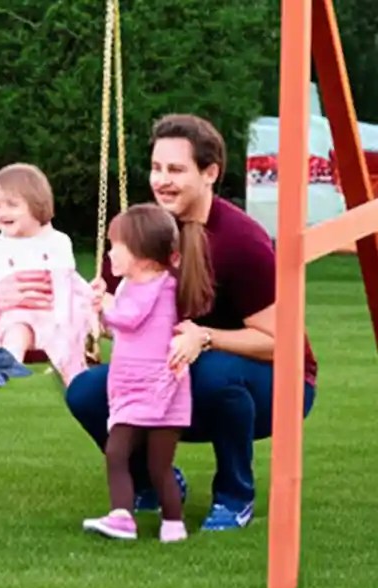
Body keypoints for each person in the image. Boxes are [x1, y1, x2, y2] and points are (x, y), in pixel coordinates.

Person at [62, 113, 318, 531]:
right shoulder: (142, 229)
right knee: (87, 391)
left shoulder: (240, 241)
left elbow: (282, 342)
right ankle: (152, 481)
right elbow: (118, 317)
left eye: (176, 170)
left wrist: (206, 337)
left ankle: (235, 496)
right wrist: (88, 316)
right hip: (173, 379)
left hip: (279, 387)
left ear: (210, 173)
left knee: (212, 371)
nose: (162, 180)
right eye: (157, 168)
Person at [81, 203, 213, 542]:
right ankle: (132, 518)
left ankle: (170, 521)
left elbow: (129, 318)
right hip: (139, 386)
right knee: (137, 459)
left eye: (115, 246)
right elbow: (122, 324)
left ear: (140, 254)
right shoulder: (135, 285)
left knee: (147, 462)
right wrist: (103, 303)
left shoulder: (158, 286)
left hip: (158, 387)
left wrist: (107, 303)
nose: (110, 253)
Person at [0, 163, 97, 387]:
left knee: (66, 350)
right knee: (14, 331)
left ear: (37, 205)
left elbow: (63, 286)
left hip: (54, 311)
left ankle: (80, 386)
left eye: (12, 204)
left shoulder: (57, 241)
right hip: (19, 313)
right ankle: (0, 364)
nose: (2, 212)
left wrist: (63, 322)